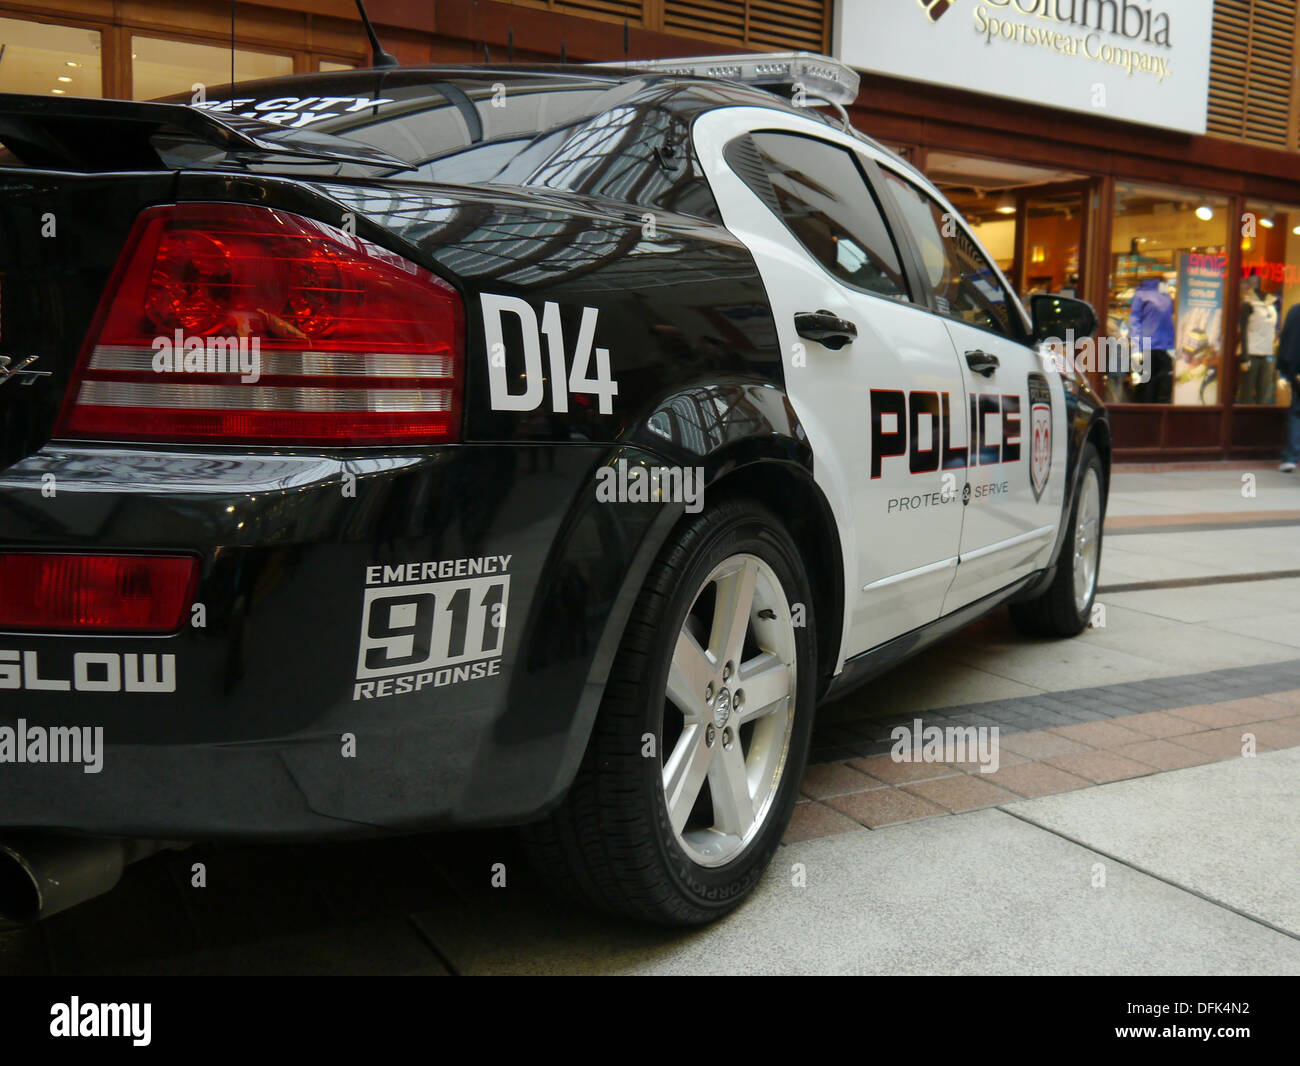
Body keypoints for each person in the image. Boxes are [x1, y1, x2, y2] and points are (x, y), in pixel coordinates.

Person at [1129, 277, 1174, 403]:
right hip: (1147, 347)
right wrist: (1137, 349)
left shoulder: (1166, 294)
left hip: (1164, 348)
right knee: (1146, 391)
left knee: (1163, 391)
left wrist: (1172, 346)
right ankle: (1143, 421)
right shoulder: (1142, 294)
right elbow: (1134, 321)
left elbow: (1169, 321)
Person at [1239, 274, 1278, 405]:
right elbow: (1242, 330)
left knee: (1266, 395)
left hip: (1268, 354)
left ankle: (1262, 424)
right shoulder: (1248, 304)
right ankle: (1243, 424)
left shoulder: (1272, 305)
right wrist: (1244, 356)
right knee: (1247, 395)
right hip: (1252, 354)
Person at [1279, 302, 1300, 473]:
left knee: (1296, 413)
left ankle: (1292, 457)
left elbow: (1285, 340)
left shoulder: (1294, 312)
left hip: (1297, 371)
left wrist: (1284, 372)